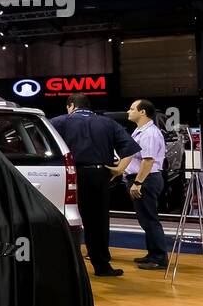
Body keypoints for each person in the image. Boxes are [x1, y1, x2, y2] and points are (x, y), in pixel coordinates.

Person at [50, 93, 139, 277]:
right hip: (99, 174)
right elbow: (130, 147)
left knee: (62, 218)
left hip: (68, 175)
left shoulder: (58, 122)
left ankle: (65, 266)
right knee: (98, 221)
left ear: (71, 105)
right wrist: (119, 169)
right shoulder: (108, 123)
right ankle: (102, 266)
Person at [124, 99, 170, 270]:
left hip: (146, 179)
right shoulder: (140, 131)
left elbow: (148, 160)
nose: (128, 112)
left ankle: (159, 258)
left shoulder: (149, 133)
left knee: (150, 220)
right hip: (143, 178)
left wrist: (137, 182)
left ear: (142, 112)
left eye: (131, 109)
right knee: (146, 220)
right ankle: (152, 253)